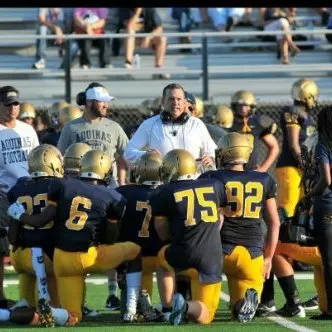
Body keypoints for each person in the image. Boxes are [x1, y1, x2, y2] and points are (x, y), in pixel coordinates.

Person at [8, 150, 142, 325]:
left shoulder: (62, 186)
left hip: (61, 258)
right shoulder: (113, 196)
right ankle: (131, 310)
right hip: (88, 255)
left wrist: (21, 216)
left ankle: (23, 314)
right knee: (134, 250)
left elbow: (44, 219)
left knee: (72, 316)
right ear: (106, 171)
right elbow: (110, 238)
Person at [200, 132, 280, 322]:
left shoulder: (212, 177)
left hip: (222, 251)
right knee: (240, 311)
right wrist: (268, 257)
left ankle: (186, 305)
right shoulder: (264, 179)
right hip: (254, 254)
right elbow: (274, 222)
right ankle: (244, 303)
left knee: (204, 308)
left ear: (225, 152)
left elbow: (210, 217)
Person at [151, 149, 223, 325]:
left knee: (162, 258)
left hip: (181, 253)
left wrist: (170, 240)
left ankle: (168, 309)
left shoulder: (164, 191)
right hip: (211, 257)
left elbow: (161, 226)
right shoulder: (214, 184)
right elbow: (221, 216)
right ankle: (185, 307)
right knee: (206, 316)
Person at [7, 144, 64, 327]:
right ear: (55, 164)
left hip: (21, 254)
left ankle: (26, 303)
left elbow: (12, 238)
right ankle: (56, 306)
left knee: (28, 275)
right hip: (49, 256)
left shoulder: (18, 187)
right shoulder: (58, 186)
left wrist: (19, 217)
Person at [0, 86, 39, 307]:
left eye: (15, 104)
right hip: (3, 193)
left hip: (30, 192)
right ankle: (0, 297)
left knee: (36, 242)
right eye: (7, 104)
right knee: (1, 246)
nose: (12, 109)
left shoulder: (27, 130)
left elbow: (36, 160)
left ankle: (38, 297)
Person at [124, 83, 216, 171]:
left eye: (179, 99)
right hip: (163, 184)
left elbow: (213, 151)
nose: (175, 103)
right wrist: (147, 155)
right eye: (171, 99)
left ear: (184, 102)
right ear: (163, 102)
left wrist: (210, 158)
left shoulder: (197, 124)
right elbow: (128, 153)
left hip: (192, 182)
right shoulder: (149, 124)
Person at [116, 151, 163, 322]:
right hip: (160, 256)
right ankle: (170, 305)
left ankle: (130, 305)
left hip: (132, 257)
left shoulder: (124, 192)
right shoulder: (167, 191)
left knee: (128, 247)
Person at [57, 82, 128, 186]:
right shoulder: (70, 127)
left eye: (106, 102)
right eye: (102, 101)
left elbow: (128, 154)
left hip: (108, 185)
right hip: (80, 185)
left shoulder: (114, 127)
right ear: (89, 102)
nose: (106, 105)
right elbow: (59, 158)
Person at [299, 106, 332, 320]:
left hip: (328, 206)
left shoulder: (323, 145)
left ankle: (330, 309)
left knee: (329, 260)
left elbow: (326, 180)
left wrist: (309, 195)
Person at [229, 90, 279, 172]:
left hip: (251, 170)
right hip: (230, 170)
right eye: (240, 105)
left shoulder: (257, 123)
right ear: (234, 106)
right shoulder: (229, 121)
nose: (243, 109)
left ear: (251, 106)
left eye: (246, 106)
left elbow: (274, 147)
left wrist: (263, 168)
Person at [119, 8, 168, 79]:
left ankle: (158, 67)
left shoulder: (150, 9)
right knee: (130, 32)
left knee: (162, 38)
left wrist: (148, 37)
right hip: (129, 39)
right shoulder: (125, 9)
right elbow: (129, 25)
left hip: (147, 39)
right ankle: (128, 62)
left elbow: (159, 28)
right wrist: (137, 13)